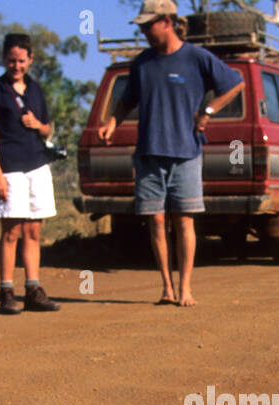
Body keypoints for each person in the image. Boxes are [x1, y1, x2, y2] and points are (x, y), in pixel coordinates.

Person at [98, 0, 245, 307]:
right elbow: (128, 100)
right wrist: (112, 122)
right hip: (149, 153)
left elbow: (235, 83)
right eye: (141, 26)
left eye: (148, 24)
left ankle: (186, 288)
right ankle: (166, 286)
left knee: (184, 221)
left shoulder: (196, 58)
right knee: (154, 221)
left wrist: (208, 110)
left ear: (167, 22)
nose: (144, 31)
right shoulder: (142, 63)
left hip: (186, 153)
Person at [0, 32, 59, 314]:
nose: (17, 66)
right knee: (11, 231)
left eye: (22, 61)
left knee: (34, 230)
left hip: (37, 165)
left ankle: (33, 289)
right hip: (9, 168)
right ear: (4, 59)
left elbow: (48, 129)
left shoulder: (36, 89)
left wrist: (37, 124)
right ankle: (6, 290)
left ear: (31, 59)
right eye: (12, 60)